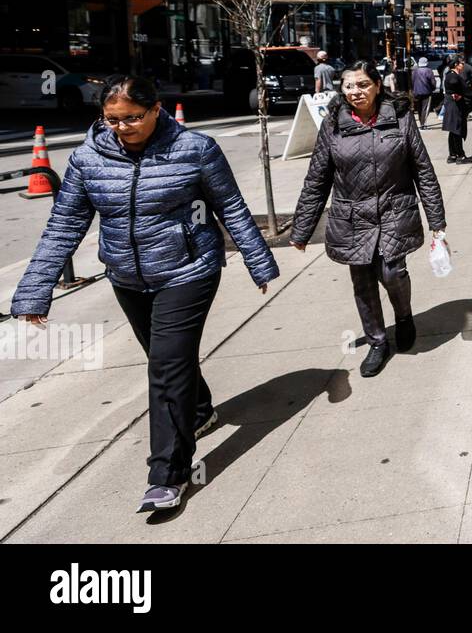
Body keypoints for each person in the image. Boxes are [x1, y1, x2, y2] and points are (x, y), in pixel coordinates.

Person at [9, 75, 279, 514]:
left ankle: (168, 475)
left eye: (133, 118)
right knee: (166, 357)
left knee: (165, 368)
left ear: (156, 109)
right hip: (127, 277)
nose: (123, 128)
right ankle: (199, 411)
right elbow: (64, 225)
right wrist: (35, 290)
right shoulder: (87, 158)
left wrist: (258, 260)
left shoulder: (194, 149)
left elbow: (230, 205)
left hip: (188, 270)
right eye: (112, 120)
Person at [291, 60, 447, 377]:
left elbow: (423, 170)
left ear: (377, 85)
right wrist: (302, 230)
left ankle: (403, 316)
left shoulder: (401, 118)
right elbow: (317, 180)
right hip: (351, 217)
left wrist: (437, 221)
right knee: (362, 283)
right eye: (349, 85)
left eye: (362, 84)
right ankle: (377, 342)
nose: (355, 92)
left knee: (393, 273)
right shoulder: (333, 125)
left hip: (394, 211)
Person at [441, 55, 471, 164]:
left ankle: (452, 155)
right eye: (461, 63)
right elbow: (453, 83)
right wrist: (457, 93)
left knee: (453, 130)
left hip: (453, 105)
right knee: (456, 130)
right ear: (456, 65)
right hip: (455, 106)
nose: (463, 65)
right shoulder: (452, 75)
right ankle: (459, 155)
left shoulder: (452, 74)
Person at [412, 56, 438, 129]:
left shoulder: (415, 71)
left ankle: (421, 122)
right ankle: (423, 124)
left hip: (416, 92)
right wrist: (433, 88)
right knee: (425, 108)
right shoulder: (429, 71)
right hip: (427, 92)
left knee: (419, 108)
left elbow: (412, 81)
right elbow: (433, 82)